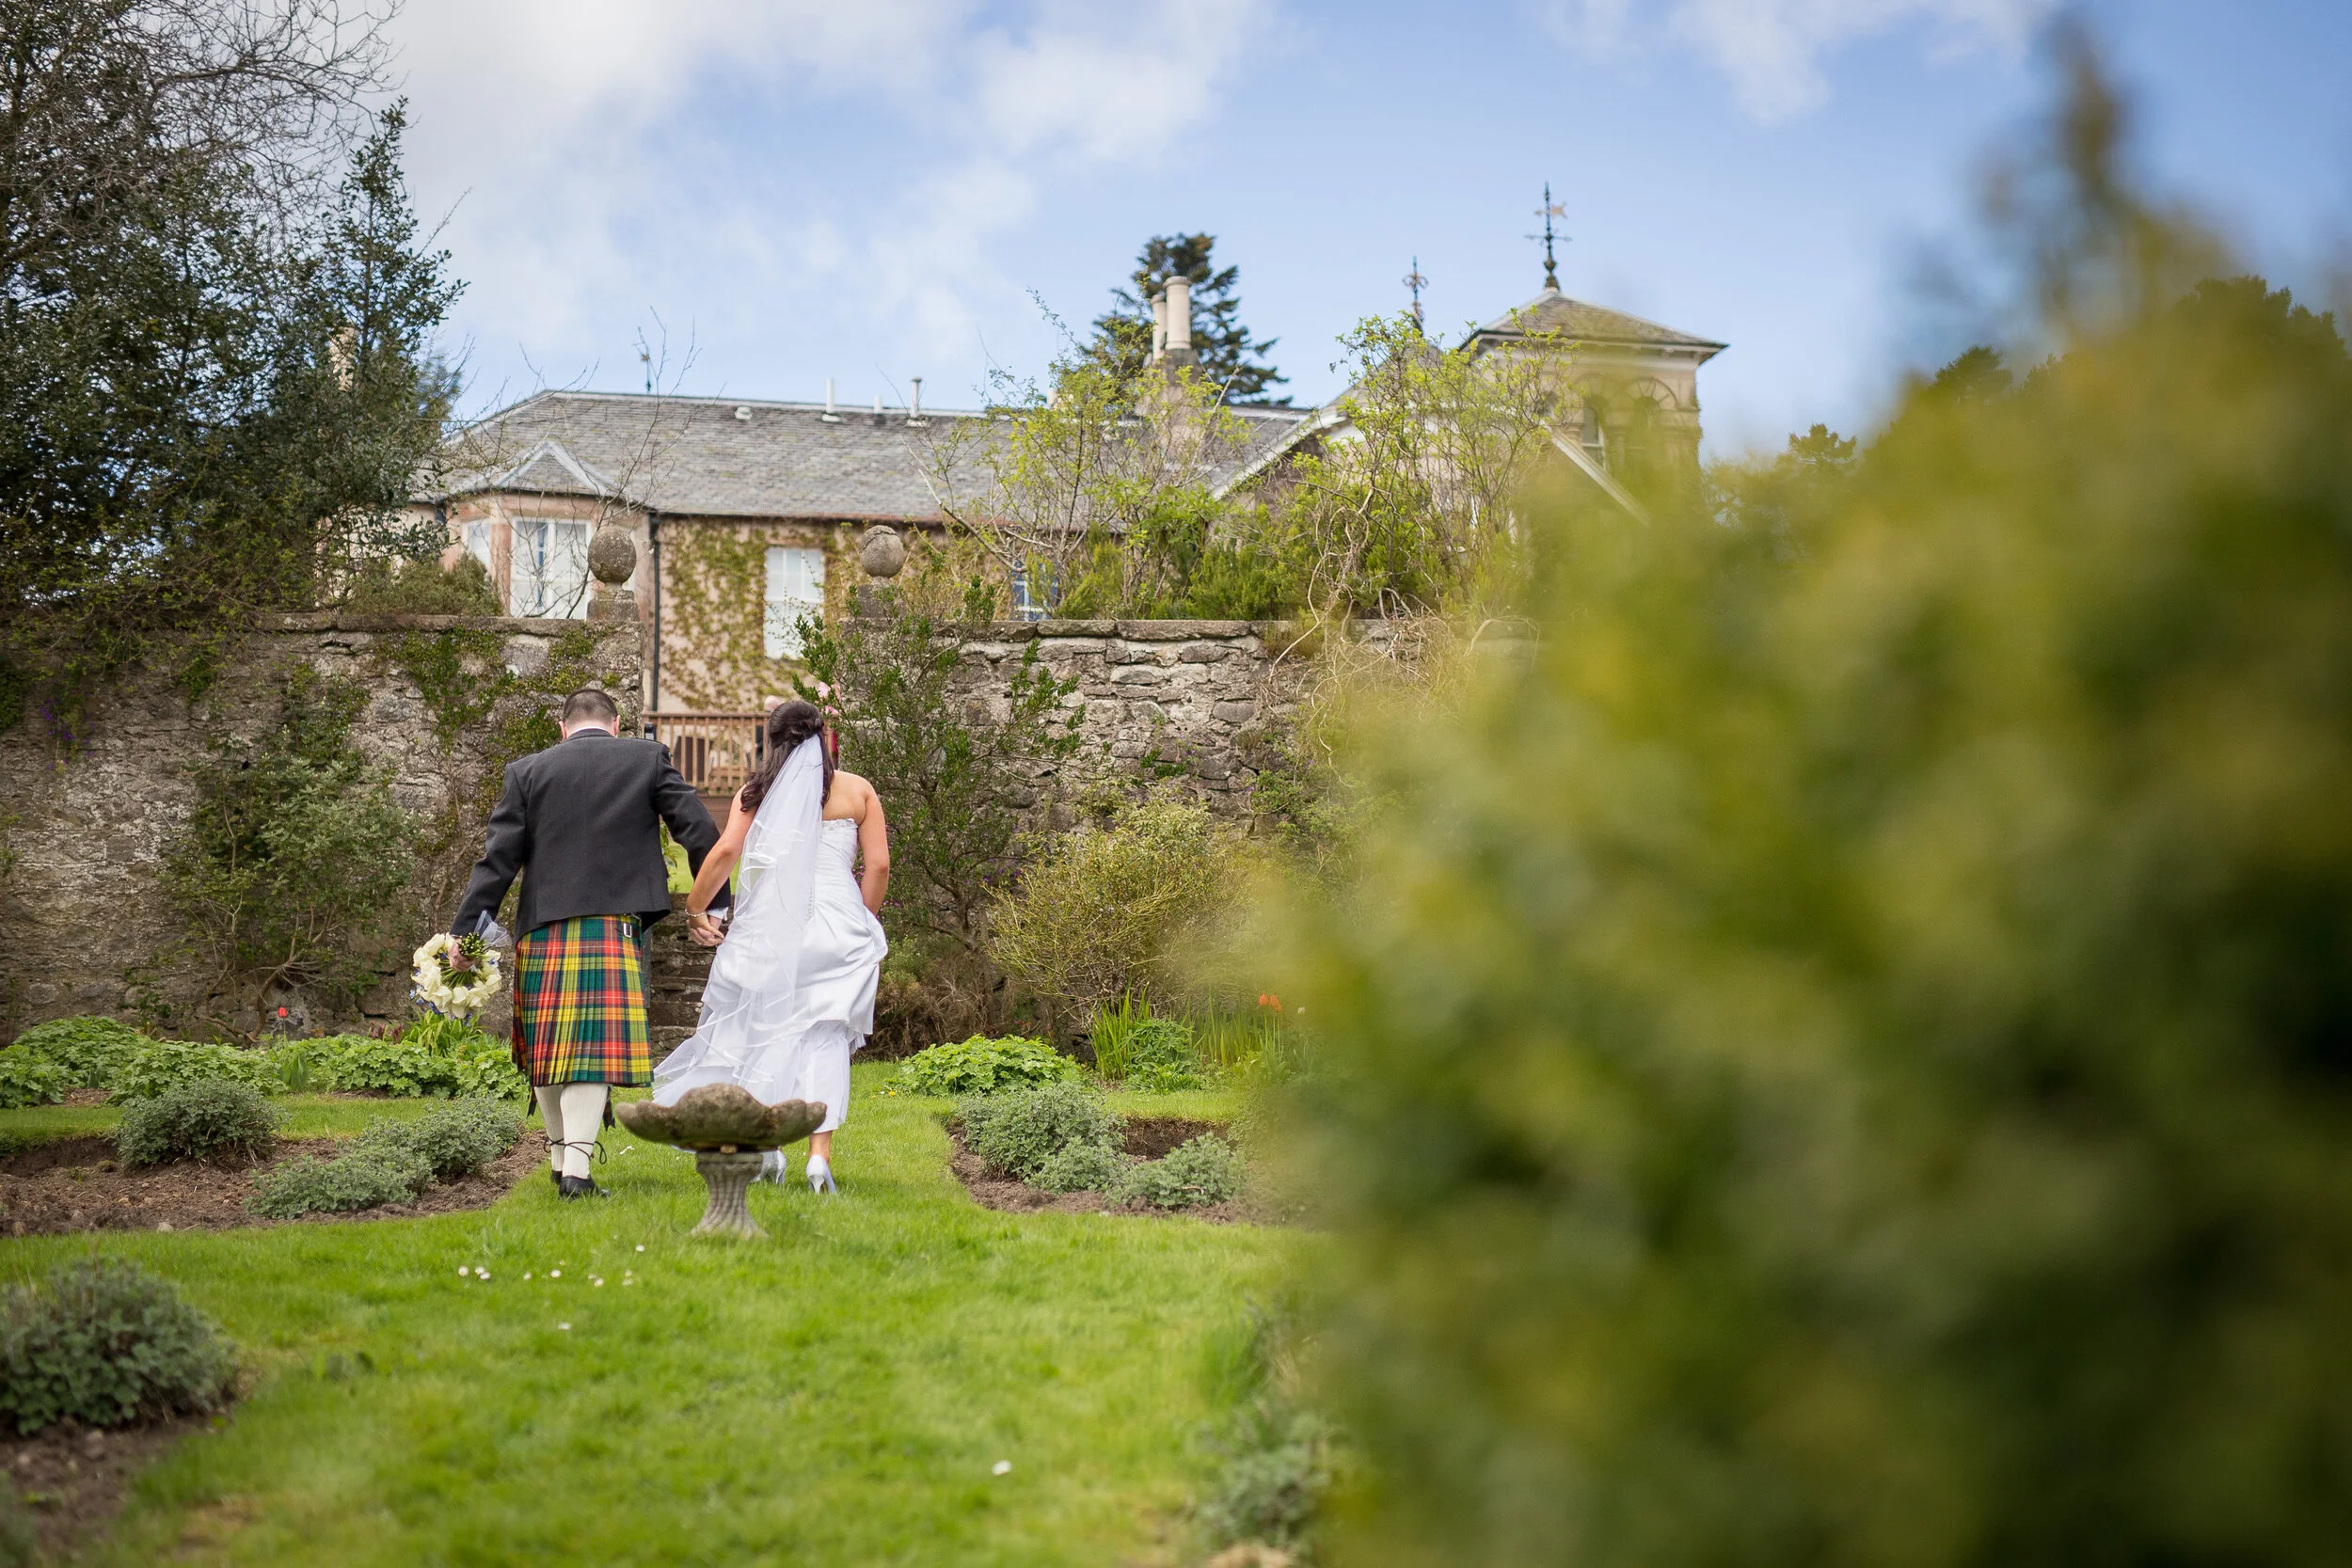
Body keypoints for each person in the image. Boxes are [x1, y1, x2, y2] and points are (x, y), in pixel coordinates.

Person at [450, 688, 728, 1198]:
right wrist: (712, 903)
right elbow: (699, 829)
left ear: (563, 727)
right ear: (617, 722)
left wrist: (466, 932)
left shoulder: (527, 771)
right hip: (609, 927)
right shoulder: (647, 759)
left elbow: (497, 863)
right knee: (589, 1050)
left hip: (540, 928)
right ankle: (574, 1173)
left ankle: (561, 1161)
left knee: (549, 1048)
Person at [652, 699, 889, 1194]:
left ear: (773, 740)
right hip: (837, 925)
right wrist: (862, 920)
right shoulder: (858, 790)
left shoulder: (757, 791)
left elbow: (724, 852)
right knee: (824, 1039)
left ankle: (773, 1149)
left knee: (766, 1028)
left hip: (774, 926)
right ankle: (818, 1159)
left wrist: (696, 906)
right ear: (822, 736)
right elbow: (880, 866)